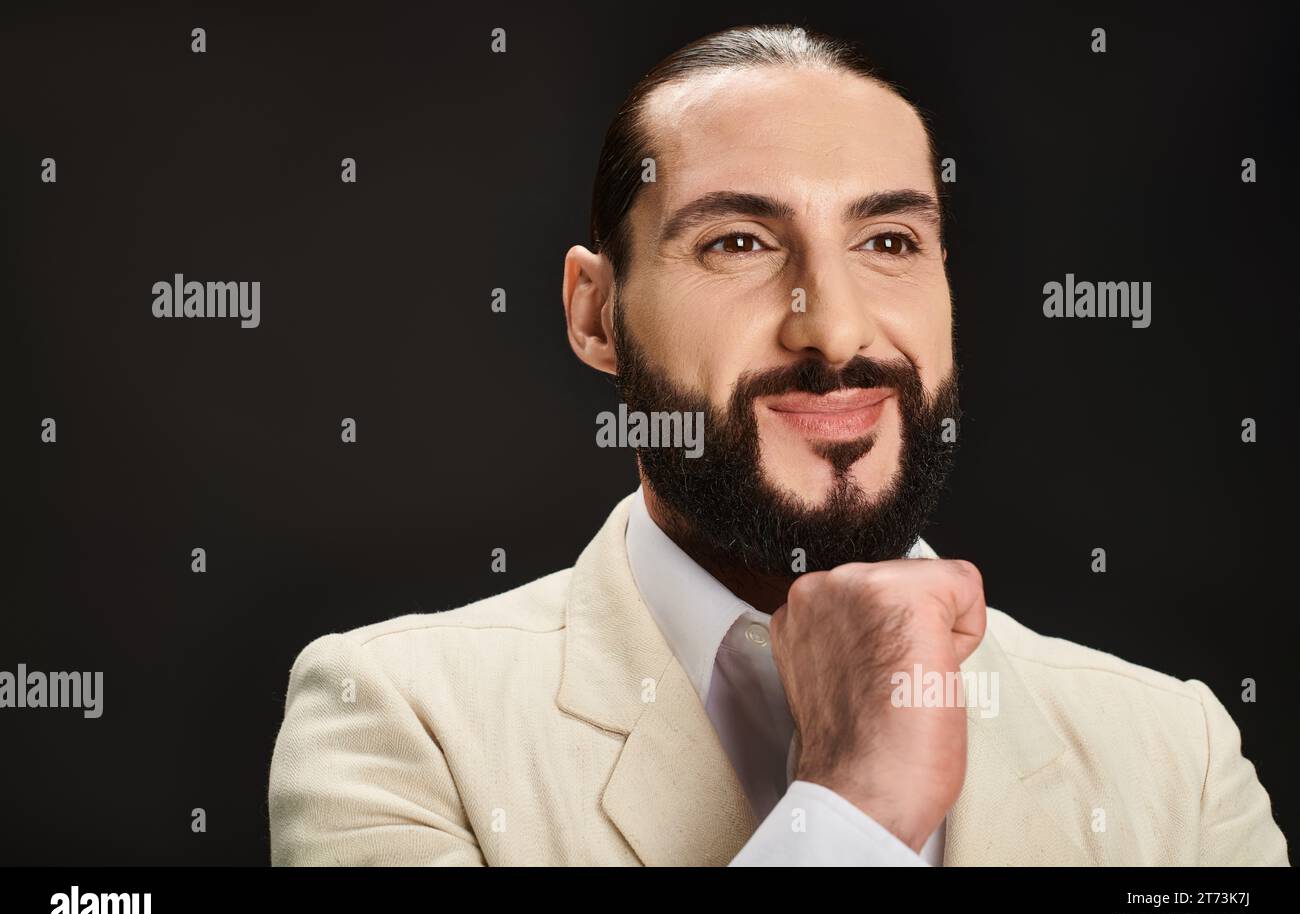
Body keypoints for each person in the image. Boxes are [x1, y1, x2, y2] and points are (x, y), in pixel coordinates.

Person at [268, 24, 1288, 866]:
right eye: (737, 243)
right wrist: (851, 806)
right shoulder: (398, 725)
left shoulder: (1174, 756)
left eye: (888, 242)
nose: (833, 330)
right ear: (595, 315)